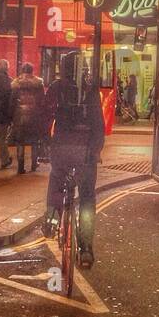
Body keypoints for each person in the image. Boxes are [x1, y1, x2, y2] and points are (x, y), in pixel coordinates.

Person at [43, 52, 106, 268]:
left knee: (56, 179)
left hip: (61, 148)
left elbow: (45, 117)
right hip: (85, 153)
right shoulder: (91, 91)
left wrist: (44, 143)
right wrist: (96, 150)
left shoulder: (55, 88)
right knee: (87, 196)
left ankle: (52, 219)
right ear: (84, 68)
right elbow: (98, 124)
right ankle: (86, 249)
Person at [9, 62, 46, 174]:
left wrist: (11, 116)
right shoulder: (38, 83)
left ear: (22, 71)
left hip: (19, 116)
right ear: (32, 71)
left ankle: (20, 167)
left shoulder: (15, 84)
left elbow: (12, 102)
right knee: (35, 141)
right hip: (34, 116)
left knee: (20, 142)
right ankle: (34, 165)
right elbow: (42, 101)